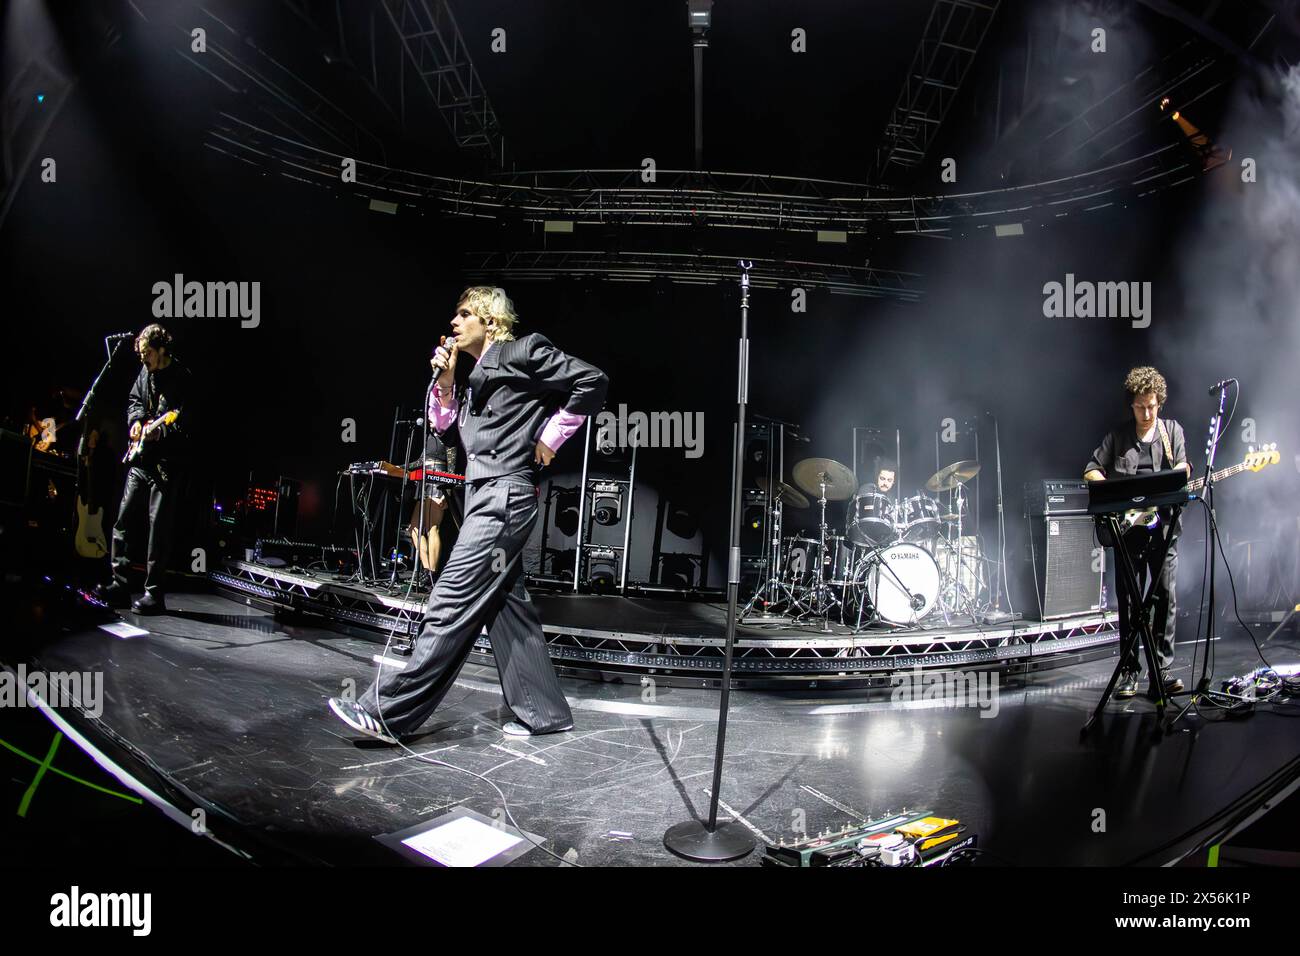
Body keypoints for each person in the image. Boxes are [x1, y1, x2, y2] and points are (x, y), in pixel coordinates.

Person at [330, 287, 608, 743]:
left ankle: (386, 713)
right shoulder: (469, 374)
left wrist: (551, 437)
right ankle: (545, 712)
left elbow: (592, 380)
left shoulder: (524, 349)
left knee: (449, 602)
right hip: (483, 496)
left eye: (464, 314)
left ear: (489, 319)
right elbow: (443, 426)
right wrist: (446, 378)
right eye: (454, 315)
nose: (454, 323)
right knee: (506, 608)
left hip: (506, 497)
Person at [1084, 366, 1189, 698]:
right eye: (1140, 406)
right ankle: (1129, 672)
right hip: (1129, 534)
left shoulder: (1172, 433)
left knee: (1165, 597)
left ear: (1160, 403)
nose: (1147, 413)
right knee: (1129, 603)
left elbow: (1184, 470)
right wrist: (1114, 500)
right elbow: (1091, 471)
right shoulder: (1118, 437)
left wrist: (1181, 474)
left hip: (1164, 531)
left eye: (1152, 406)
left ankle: (1163, 669)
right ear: (1131, 405)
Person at [95, 324, 193, 614]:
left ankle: (154, 594)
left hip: (166, 465)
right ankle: (119, 584)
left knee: (157, 531)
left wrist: (162, 432)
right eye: (140, 354)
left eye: (147, 353)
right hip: (140, 460)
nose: (143, 359)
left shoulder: (181, 379)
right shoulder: (145, 373)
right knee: (123, 520)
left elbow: (184, 421)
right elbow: (134, 401)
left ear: (161, 349)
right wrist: (136, 420)